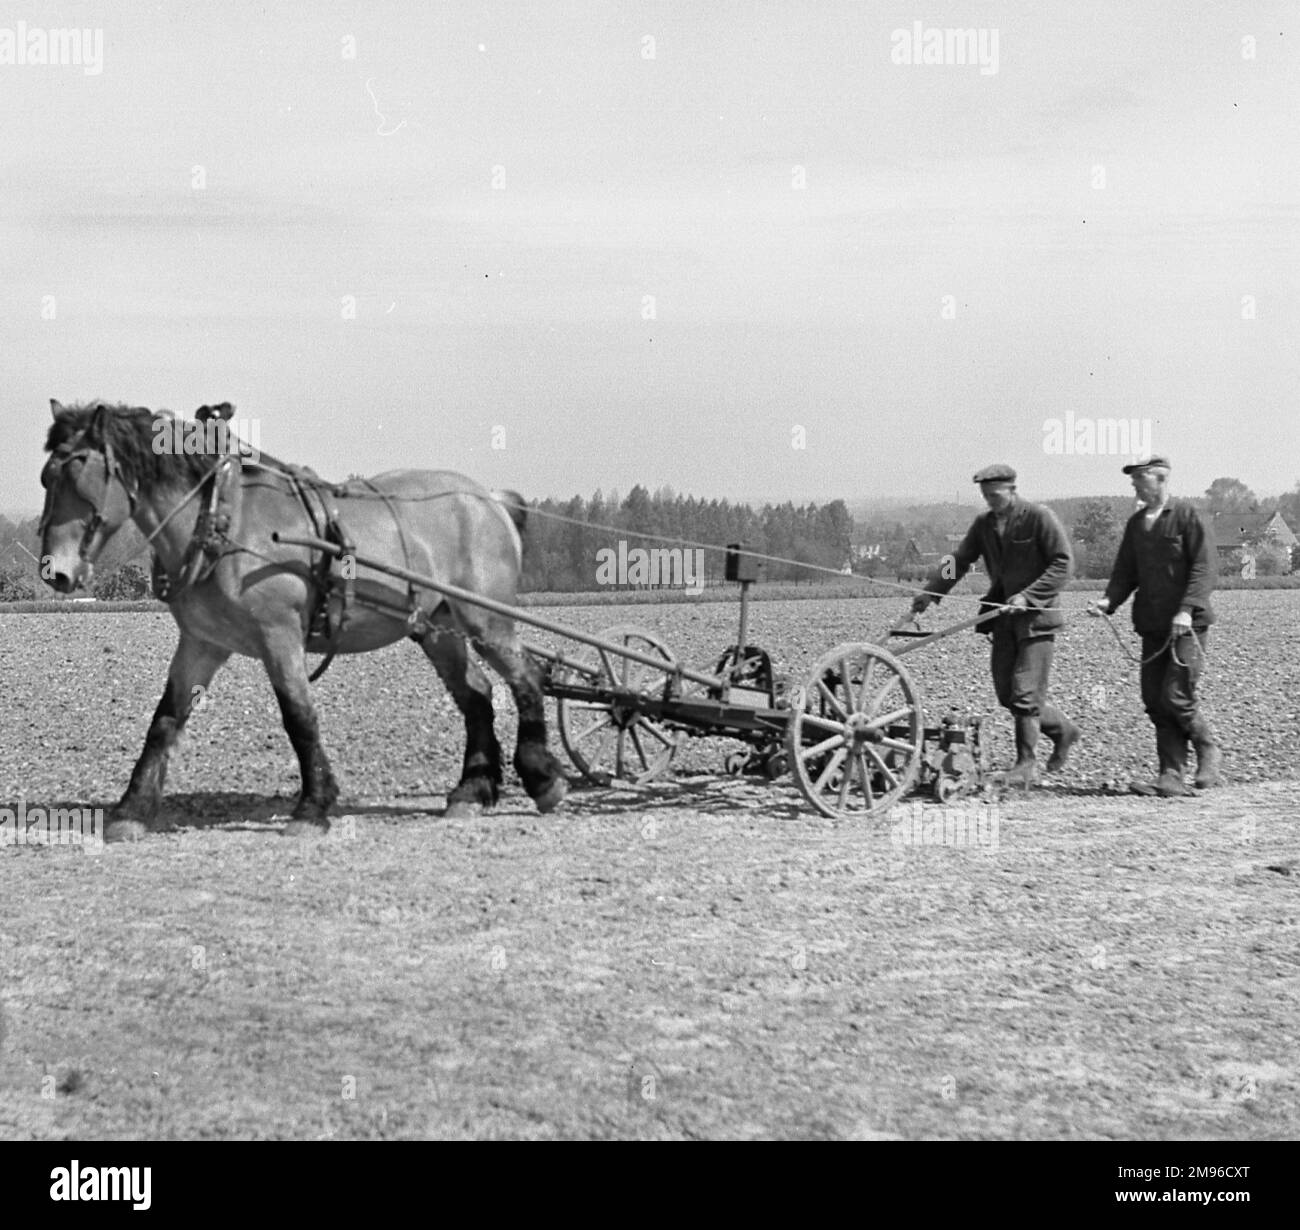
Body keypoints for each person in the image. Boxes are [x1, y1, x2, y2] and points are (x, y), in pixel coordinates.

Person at [910, 464, 1078, 786]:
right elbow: (959, 560)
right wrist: (931, 592)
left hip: (1036, 619)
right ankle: (1063, 730)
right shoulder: (984, 524)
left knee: (1025, 694)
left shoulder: (1039, 517)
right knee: (1007, 695)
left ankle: (1025, 765)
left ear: (1012, 489)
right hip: (1002, 618)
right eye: (985, 495)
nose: (990, 500)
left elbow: (1063, 564)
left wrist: (1029, 597)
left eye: (995, 494)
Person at [1088, 455, 1220, 796]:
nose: (1133, 484)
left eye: (1139, 478)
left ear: (1160, 480)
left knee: (1176, 696)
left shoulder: (1188, 518)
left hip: (1187, 625)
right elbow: (1125, 573)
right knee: (1154, 699)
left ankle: (1207, 746)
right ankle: (1171, 776)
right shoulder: (1136, 525)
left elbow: (1204, 569)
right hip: (1151, 624)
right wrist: (1108, 602)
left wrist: (1187, 609)